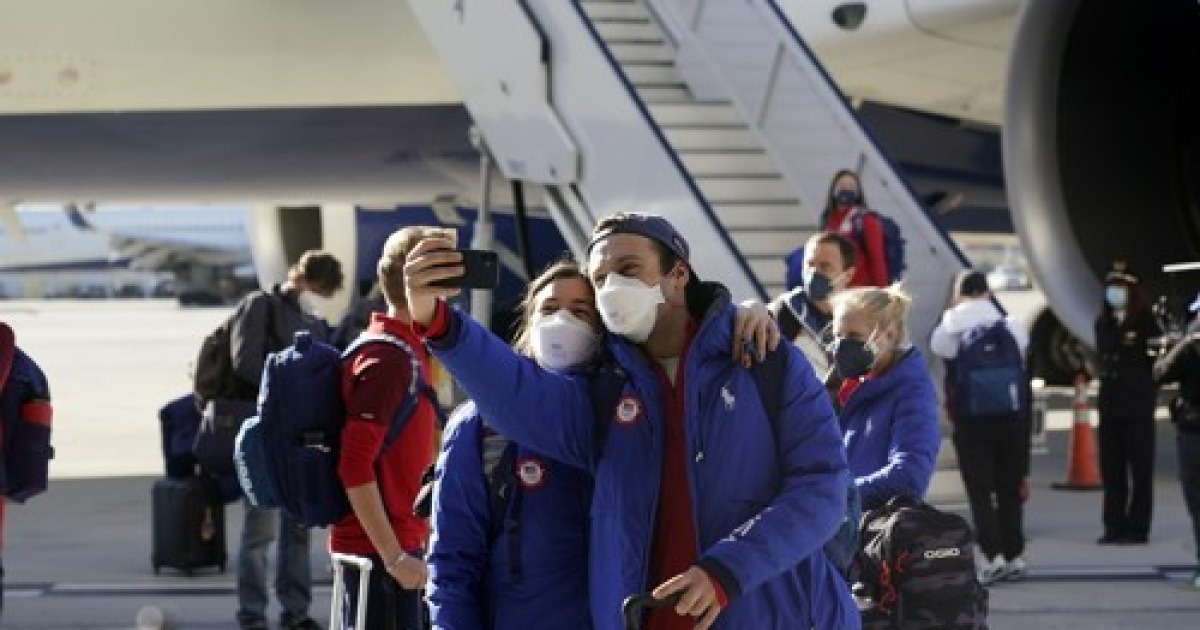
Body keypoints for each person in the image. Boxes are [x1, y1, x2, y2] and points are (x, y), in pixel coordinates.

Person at [406, 212, 859, 630]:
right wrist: (440, 322)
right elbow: (521, 392)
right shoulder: (603, 392)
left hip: (779, 614)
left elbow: (823, 487)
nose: (610, 288)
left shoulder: (764, 360)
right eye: (600, 278)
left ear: (678, 274)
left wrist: (726, 571)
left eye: (628, 269)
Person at [427, 260, 598, 630]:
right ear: (528, 324)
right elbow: (453, 563)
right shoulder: (480, 427)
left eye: (580, 311)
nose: (562, 321)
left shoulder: (627, 415)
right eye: (549, 309)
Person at [331, 227, 441, 629]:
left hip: (395, 551)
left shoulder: (401, 349)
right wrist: (394, 557)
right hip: (381, 560)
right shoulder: (389, 359)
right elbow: (354, 465)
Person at [231, 250, 344, 630]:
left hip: (298, 438)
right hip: (265, 433)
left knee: (297, 529)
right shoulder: (260, 306)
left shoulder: (310, 320)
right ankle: (252, 615)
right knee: (259, 531)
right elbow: (244, 364)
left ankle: (294, 613)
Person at [930, 271, 1031, 584]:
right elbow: (1025, 355)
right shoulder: (1011, 325)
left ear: (960, 293)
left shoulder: (950, 325)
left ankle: (992, 556)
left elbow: (940, 351)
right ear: (987, 293)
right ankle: (1015, 554)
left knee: (979, 490)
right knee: (1009, 488)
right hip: (1011, 419)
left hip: (971, 419)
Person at [829, 285, 941, 512]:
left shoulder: (912, 391)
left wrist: (838, 496)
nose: (842, 346)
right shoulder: (851, 385)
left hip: (870, 531)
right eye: (838, 336)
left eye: (854, 336)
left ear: (889, 335)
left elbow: (910, 475)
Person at [1094, 260, 1161, 545]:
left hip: (1137, 407)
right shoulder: (1104, 323)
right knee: (1112, 471)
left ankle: (1138, 527)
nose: (1114, 293)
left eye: (1120, 288)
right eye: (1111, 288)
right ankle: (1113, 525)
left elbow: (1156, 364)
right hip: (1110, 406)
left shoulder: (1147, 323)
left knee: (1141, 472)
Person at [1152, 292, 1200, 589]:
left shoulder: (1192, 346)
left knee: (1198, 502)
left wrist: (1171, 346)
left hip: (1195, 432)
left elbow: (1159, 373)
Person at [770, 231, 857, 378]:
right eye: (810, 265)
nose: (814, 272)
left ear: (848, 275)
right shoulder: (786, 310)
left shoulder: (855, 323)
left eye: (825, 266)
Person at [785, 170, 888, 289]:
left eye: (852, 187)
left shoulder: (867, 221)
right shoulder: (828, 220)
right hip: (831, 290)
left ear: (858, 194)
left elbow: (877, 260)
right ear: (833, 191)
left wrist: (883, 293)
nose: (846, 190)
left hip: (858, 293)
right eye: (842, 186)